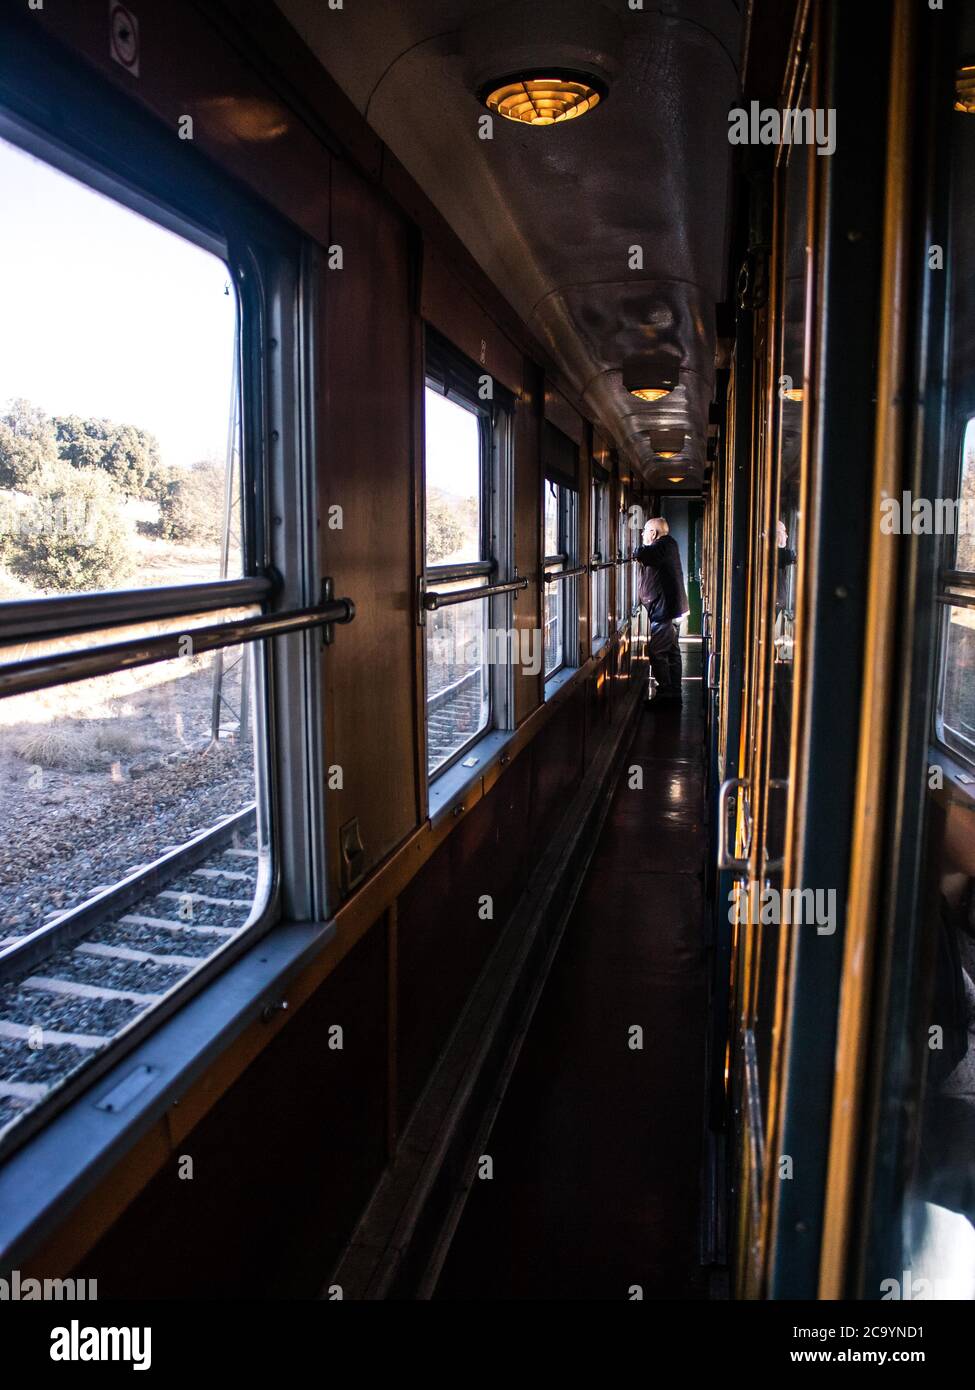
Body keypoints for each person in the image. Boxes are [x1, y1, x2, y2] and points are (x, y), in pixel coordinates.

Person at [635, 516, 688, 702]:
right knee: (672, 651)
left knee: (657, 652)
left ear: (653, 533)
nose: (642, 534)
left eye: (644, 531)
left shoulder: (662, 546)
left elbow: (642, 554)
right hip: (669, 609)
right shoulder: (668, 545)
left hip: (664, 611)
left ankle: (666, 692)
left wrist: (637, 550)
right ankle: (674, 692)